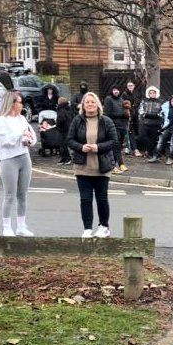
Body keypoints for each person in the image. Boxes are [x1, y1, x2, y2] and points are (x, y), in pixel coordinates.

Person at [67, 92, 118, 238]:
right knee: (85, 198)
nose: (90, 104)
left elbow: (114, 141)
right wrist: (81, 147)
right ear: (83, 105)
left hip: (101, 166)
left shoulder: (106, 121)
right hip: (83, 167)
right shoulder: (77, 120)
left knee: (102, 198)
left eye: (92, 102)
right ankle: (87, 228)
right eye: (87, 102)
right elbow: (70, 140)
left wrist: (98, 147)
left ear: (97, 105)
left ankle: (104, 226)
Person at [0, 90, 36, 237]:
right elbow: (5, 141)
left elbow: (32, 136)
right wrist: (20, 135)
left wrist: (29, 139)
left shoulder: (22, 119)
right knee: (10, 194)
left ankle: (21, 226)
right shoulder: (1, 121)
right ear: (12, 104)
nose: (22, 104)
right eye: (19, 102)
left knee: (22, 194)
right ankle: (6, 227)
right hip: (9, 160)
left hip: (24, 157)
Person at [103, 86, 129, 173]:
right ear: (112, 91)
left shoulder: (122, 100)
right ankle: (120, 164)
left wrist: (126, 117)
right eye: (114, 90)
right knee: (116, 145)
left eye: (117, 90)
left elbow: (125, 112)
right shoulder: (108, 99)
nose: (116, 91)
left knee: (119, 146)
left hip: (122, 126)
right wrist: (122, 115)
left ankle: (114, 165)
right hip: (113, 126)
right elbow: (108, 113)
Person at [139, 86, 164, 162]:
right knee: (142, 137)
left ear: (156, 93)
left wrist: (153, 116)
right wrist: (153, 115)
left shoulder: (161, 102)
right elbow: (141, 111)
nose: (152, 94)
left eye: (153, 93)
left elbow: (162, 113)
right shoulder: (144, 101)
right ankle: (154, 153)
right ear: (148, 94)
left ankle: (152, 155)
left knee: (153, 140)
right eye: (150, 93)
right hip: (145, 123)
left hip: (156, 124)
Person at [122, 81, 140, 156]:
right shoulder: (124, 94)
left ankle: (130, 148)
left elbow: (138, 103)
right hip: (128, 115)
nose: (130, 87)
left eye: (131, 85)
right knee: (129, 131)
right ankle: (129, 148)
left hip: (135, 115)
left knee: (133, 131)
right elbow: (124, 105)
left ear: (134, 86)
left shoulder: (136, 93)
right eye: (128, 85)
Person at [56, 96, 75, 165]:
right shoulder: (69, 109)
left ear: (59, 102)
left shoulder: (60, 110)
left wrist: (57, 126)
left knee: (62, 145)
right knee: (66, 145)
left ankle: (66, 159)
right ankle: (65, 158)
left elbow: (60, 120)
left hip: (63, 130)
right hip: (69, 129)